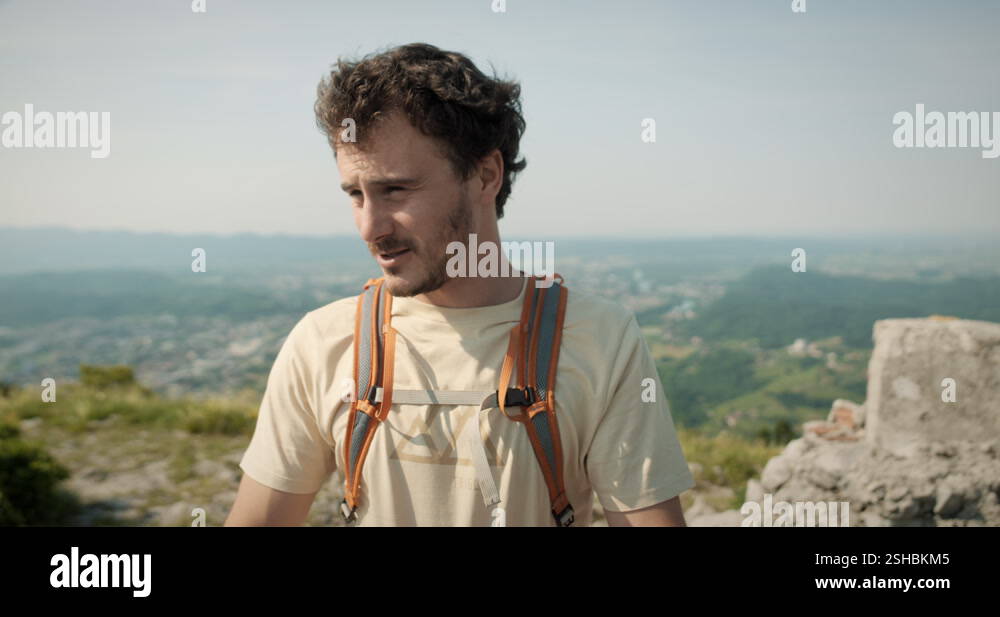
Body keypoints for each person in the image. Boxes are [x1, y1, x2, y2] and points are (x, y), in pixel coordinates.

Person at [225, 43, 694, 527]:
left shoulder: (601, 341)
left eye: (396, 189)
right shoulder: (321, 343)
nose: (370, 228)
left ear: (486, 175)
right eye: (355, 194)